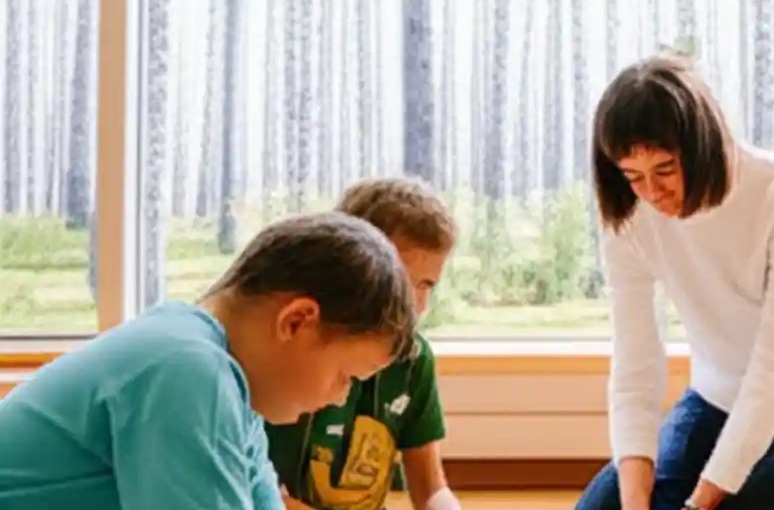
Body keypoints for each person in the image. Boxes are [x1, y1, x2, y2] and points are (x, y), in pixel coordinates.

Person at [576, 55, 774, 510]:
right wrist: (633, 500)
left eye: (664, 170)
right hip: (718, 401)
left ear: (702, 144)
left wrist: (700, 501)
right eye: (632, 176)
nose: (651, 192)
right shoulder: (629, 214)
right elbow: (636, 361)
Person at [0, 212, 416, 510]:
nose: (341, 398)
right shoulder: (188, 370)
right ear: (296, 322)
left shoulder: (235, 396)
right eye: (346, 376)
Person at [266, 177, 461, 510]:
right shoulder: (294, 349)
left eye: (426, 284)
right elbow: (263, 494)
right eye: (396, 278)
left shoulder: (414, 359)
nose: (410, 302)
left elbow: (430, 485)